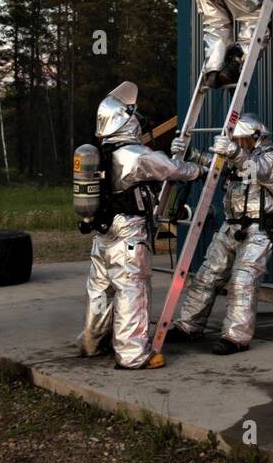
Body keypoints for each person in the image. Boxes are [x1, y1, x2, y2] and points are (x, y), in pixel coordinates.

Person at [77, 82, 202, 369]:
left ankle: (92, 343)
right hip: (129, 233)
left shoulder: (100, 153)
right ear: (124, 119)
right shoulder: (135, 154)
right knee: (131, 289)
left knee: (100, 289)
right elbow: (173, 169)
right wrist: (199, 168)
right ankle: (133, 353)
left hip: (103, 232)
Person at [166, 114, 273, 355]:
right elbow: (217, 166)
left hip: (258, 230)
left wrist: (234, 152)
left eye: (243, 140)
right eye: (237, 140)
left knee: (242, 283)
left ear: (257, 138)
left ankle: (236, 337)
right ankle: (188, 326)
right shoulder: (239, 158)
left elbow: (256, 169)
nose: (240, 144)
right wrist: (190, 153)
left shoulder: (271, 158)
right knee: (206, 276)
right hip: (231, 226)